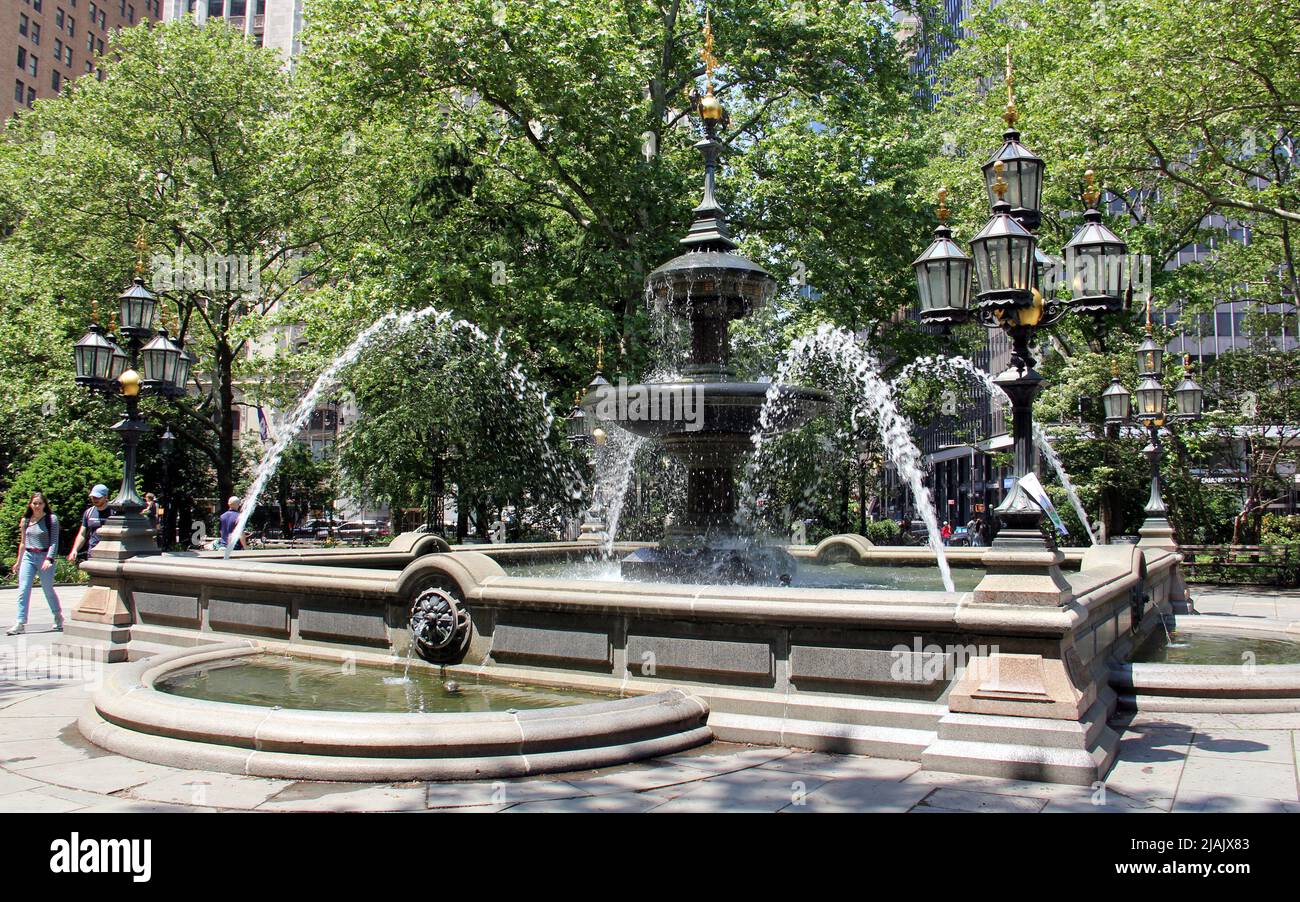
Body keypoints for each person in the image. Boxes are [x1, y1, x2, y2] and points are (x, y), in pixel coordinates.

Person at [7, 492, 63, 635]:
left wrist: (49, 559)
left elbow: (54, 541)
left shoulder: (51, 519)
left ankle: (58, 616)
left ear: (45, 504)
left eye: (40, 503)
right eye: (34, 503)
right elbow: (23, 543)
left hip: (44, 555)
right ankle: (20, 622)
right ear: (30, 504)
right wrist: (18, 562)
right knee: (23, 589)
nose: (37, 506)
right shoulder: (26, 520)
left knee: (47, 589)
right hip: (29, 556)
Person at [67, 484, 115, 562]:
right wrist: (74, 550)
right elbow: (82, 534)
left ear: (106, 497)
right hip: (92, 552)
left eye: (98, 497)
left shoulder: (114, 512)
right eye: (93, 497)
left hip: (109, 553)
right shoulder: (89, 512)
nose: (95, 499)